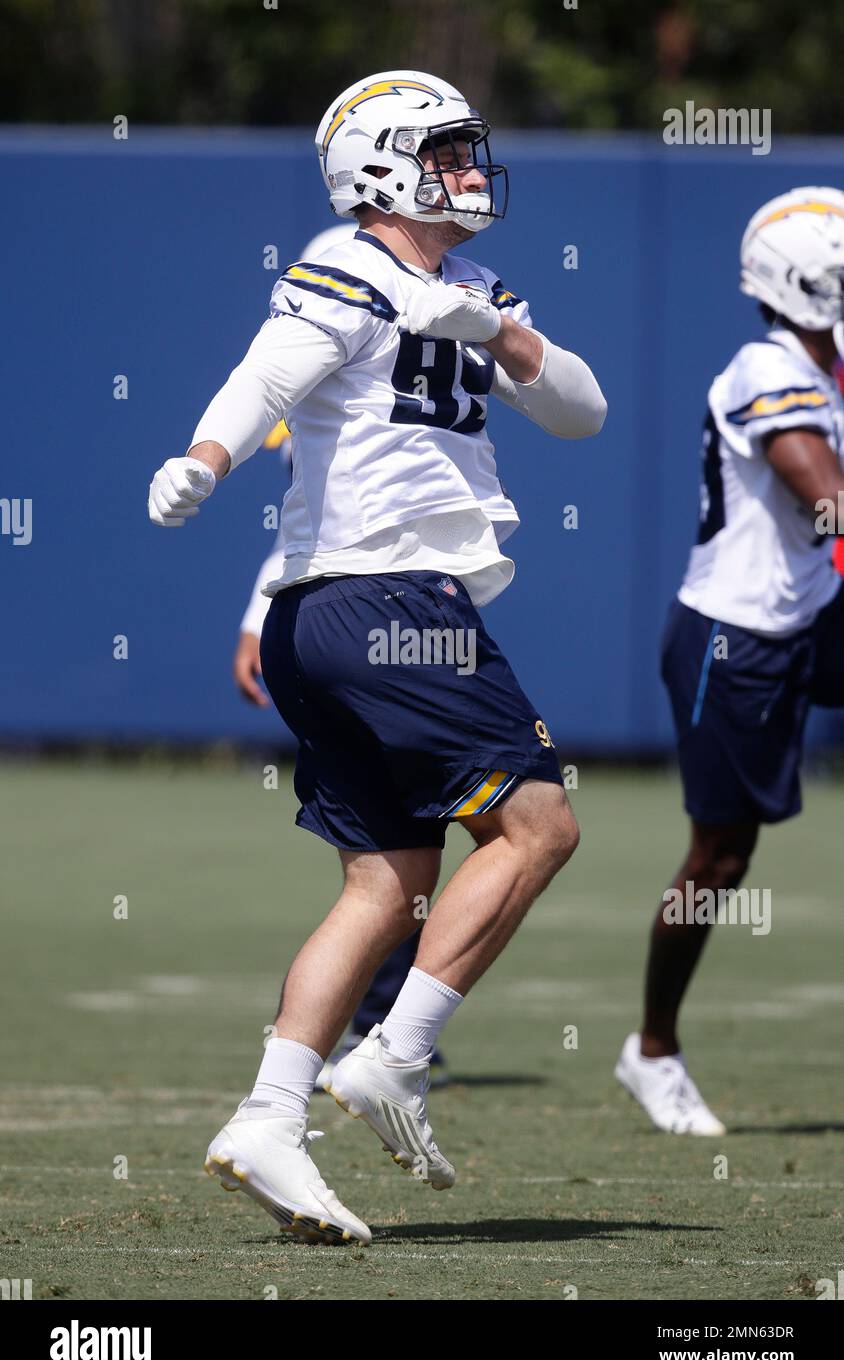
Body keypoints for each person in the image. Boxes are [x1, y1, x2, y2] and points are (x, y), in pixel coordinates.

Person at [149, 69, 606, 1245]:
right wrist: (206, 458)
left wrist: (495, 326)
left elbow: (580, 409)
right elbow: (270, 377)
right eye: (448, 148)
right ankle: (396, 1054)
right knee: (541, 824)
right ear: (387, 165)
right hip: (387, 595)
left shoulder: (467, 282)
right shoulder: (350, 264)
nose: (470, 166)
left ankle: (268, 1114)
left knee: (385, 883)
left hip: (326, 616)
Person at [616, 188, 844, 1136]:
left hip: (817, 616)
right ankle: (652, 1050)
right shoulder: (763, 368)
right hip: (733, 638)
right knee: (721, 854)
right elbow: (827, 497)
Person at [234, 222, 451, 1091]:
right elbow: (313, 498)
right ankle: (388, 1038)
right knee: (525, 825)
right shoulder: (342, 321)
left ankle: (321, 1061)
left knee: (395, 866)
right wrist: (257, 608)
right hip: (364, 604)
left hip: (374, 603)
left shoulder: (437, 326)